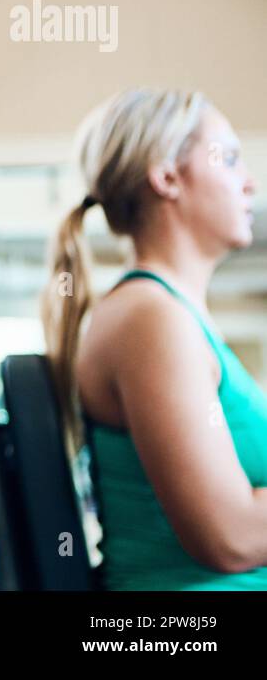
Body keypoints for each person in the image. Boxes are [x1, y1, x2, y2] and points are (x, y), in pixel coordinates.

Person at [43, 89, 266, 590]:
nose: (249, 183)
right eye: (229, 160)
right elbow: (228, 536)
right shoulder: (152, 319)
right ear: (166, 176)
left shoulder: (173, 317)